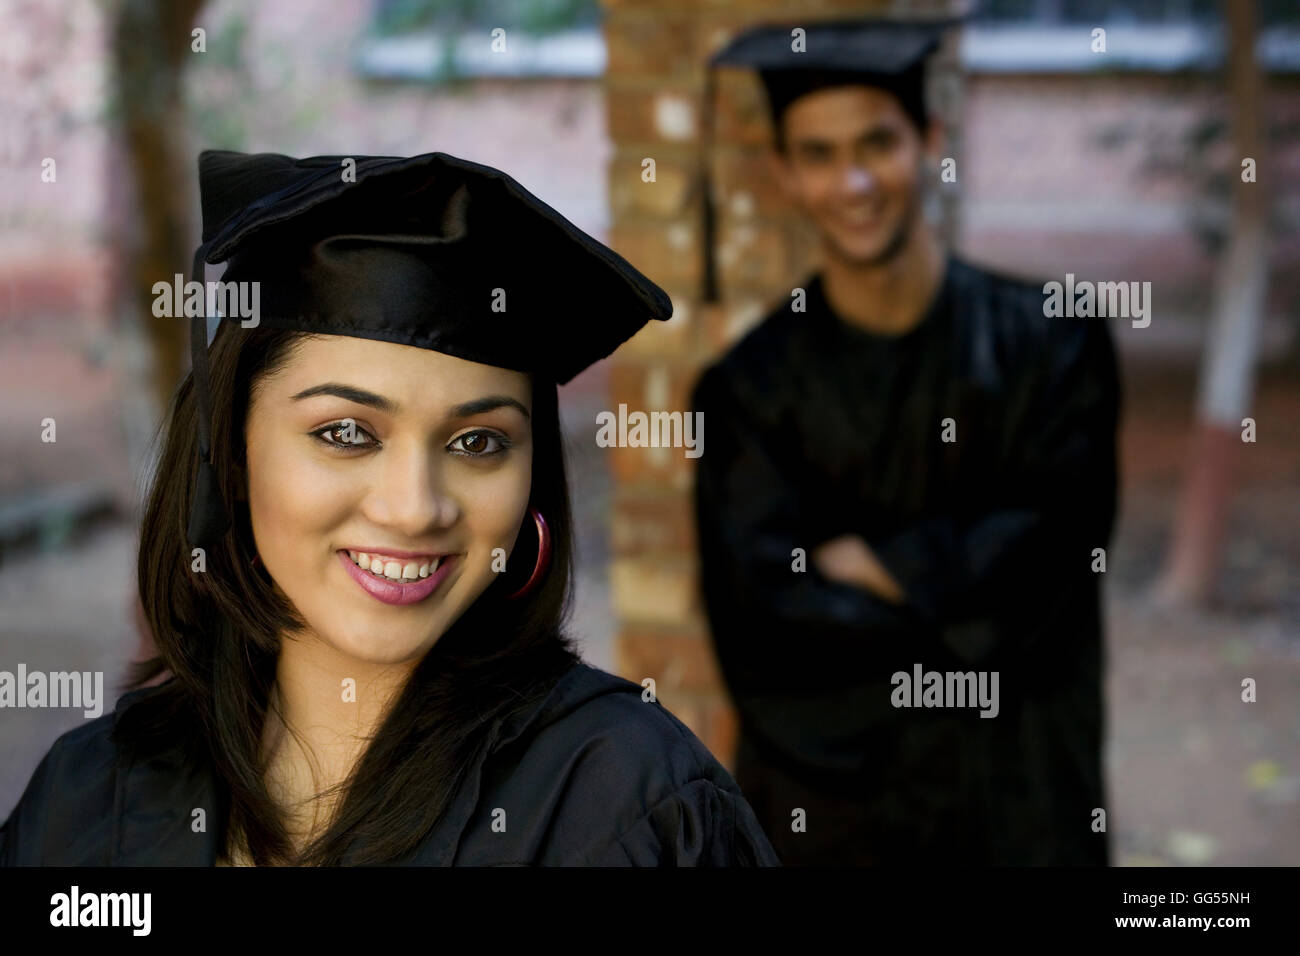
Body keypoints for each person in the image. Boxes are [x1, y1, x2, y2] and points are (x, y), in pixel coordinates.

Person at [1, 149, 780, 867]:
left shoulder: (632, 808)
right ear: (230, 455)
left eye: (478, 443)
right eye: (346, 433)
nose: (415, 510)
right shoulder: (93, 799)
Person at [692, 19, 1120, 865]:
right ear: (783, 170)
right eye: (817, 153)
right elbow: (764, 628)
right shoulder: (747, 391)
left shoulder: (1054, 344)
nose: (852, 182)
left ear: (929, 140)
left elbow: (1056, 562)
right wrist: (961, 585)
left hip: (1023, 801)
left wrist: (872, 568)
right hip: (836, 813)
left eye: (877, 143)